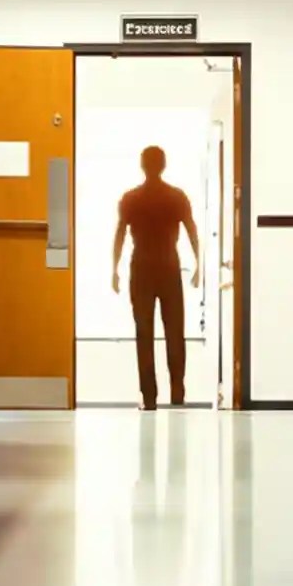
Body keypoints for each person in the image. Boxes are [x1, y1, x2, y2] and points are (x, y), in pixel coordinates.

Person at [111, 146, 201, 411]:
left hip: (142, 269)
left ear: (142, 165)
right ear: (163, 164)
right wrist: (198, 264)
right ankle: (177, 391)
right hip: (169, 267)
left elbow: (119, 234)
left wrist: (114, 268)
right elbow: (191, 230)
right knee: (175, 331)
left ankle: (149, 396)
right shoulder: (176, 197)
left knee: (144, 333)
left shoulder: (131, 198)